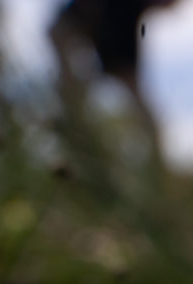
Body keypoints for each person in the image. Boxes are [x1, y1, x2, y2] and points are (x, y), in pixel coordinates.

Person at [48, 0, 180, 169]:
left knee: (143, 109)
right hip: (81, 30)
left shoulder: (128, 20)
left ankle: (158, 167)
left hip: (113, 46)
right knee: (72, 88)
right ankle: (77, 137)